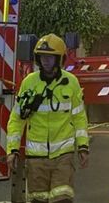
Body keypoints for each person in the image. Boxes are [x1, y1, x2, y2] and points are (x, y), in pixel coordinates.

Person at [6, 33, 89, 203]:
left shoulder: (71, 82)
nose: (46, 60)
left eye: (50, 57)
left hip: (63, 155)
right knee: (38, 200)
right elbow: (17, 119)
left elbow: (80, 118)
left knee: (62, 198)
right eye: (43, 56)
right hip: (36, 158)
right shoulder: (29, 83)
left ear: (60, 59)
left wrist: (83, 147)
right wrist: (12, 150)